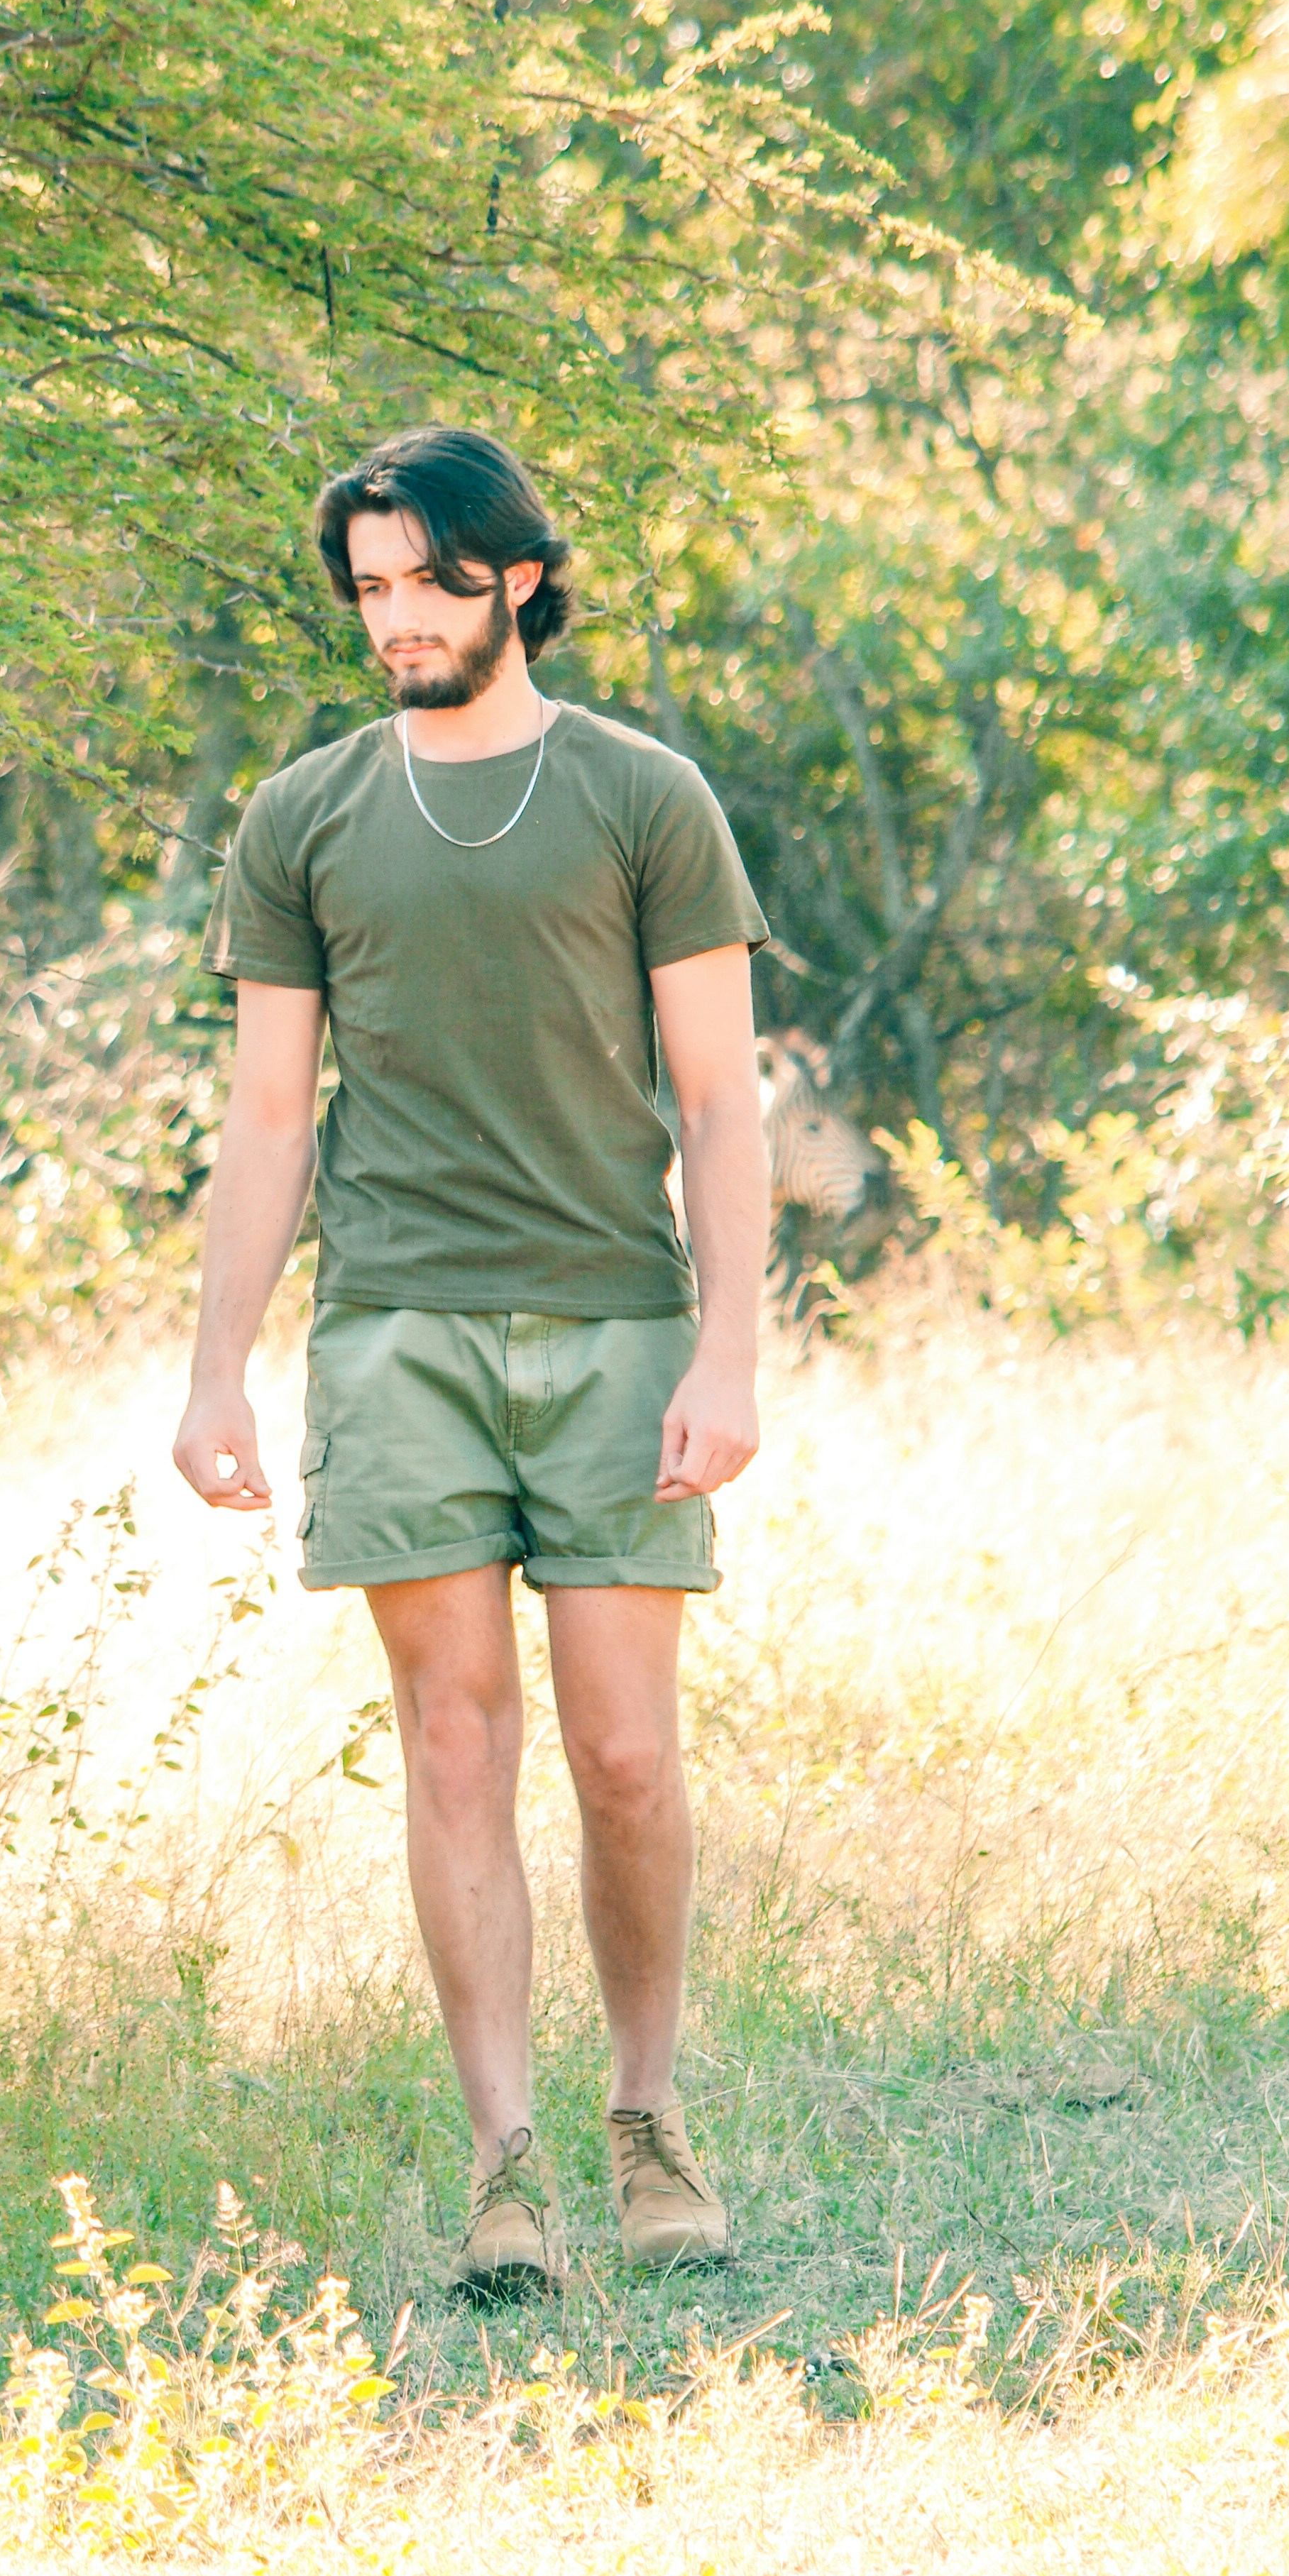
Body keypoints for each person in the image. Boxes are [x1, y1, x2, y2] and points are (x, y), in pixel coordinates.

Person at [171, 424, 769, 2289]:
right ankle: (504, 2159)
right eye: (366, 586)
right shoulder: (309, 817)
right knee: (451, 1744)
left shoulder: (645, 799)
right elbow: (269, 1121)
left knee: (624, 1757)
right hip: (397, 1333)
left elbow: (720, 1104)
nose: (395, 616)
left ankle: (647, 2116)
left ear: (513, 577)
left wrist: (730, 1351)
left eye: (428, 578)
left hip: (614, 1323)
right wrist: (215, 1373)